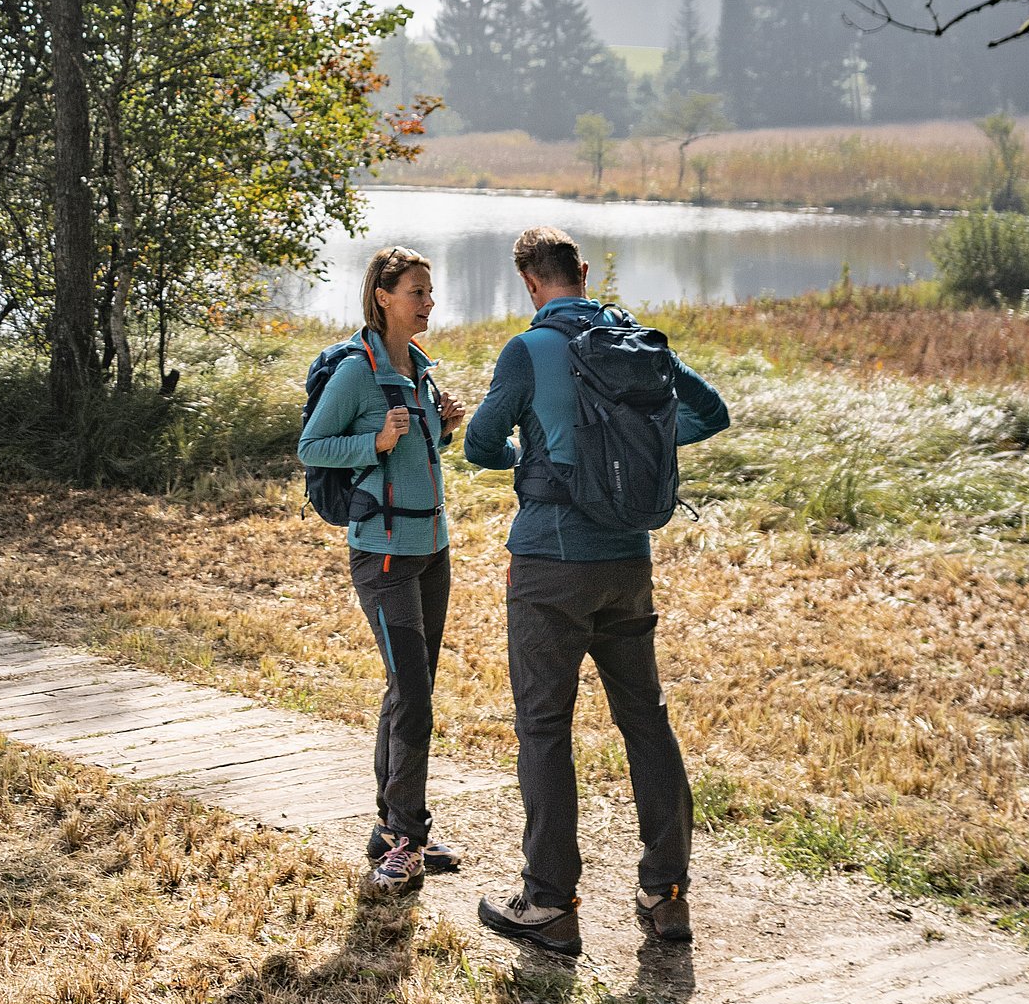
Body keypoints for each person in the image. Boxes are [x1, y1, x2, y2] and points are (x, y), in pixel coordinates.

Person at [460, 227, 729, 955]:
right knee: (646, 718)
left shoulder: (527, 349)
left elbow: (478, 443)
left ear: (529, 281)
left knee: (544, 727)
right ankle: (665, 894)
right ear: (582, 271)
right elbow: (711, 413)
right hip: (627, 561)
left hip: (550, 562)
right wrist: (631, 449)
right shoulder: (637, 342)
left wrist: (533, 453)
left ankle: (548, 902)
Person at [298, 244, 468, 896]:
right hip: (385, 557)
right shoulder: (357, 373)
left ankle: (391, 829)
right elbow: (311, 445)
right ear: (383, 297)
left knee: (409, 689)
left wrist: (444, 427)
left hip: (432, 551)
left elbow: (416, 457)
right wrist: (375, 440)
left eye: (429, 290)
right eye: (417, 292)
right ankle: (406, 838)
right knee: (415, 698)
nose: (428, 302)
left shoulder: (417, 370)